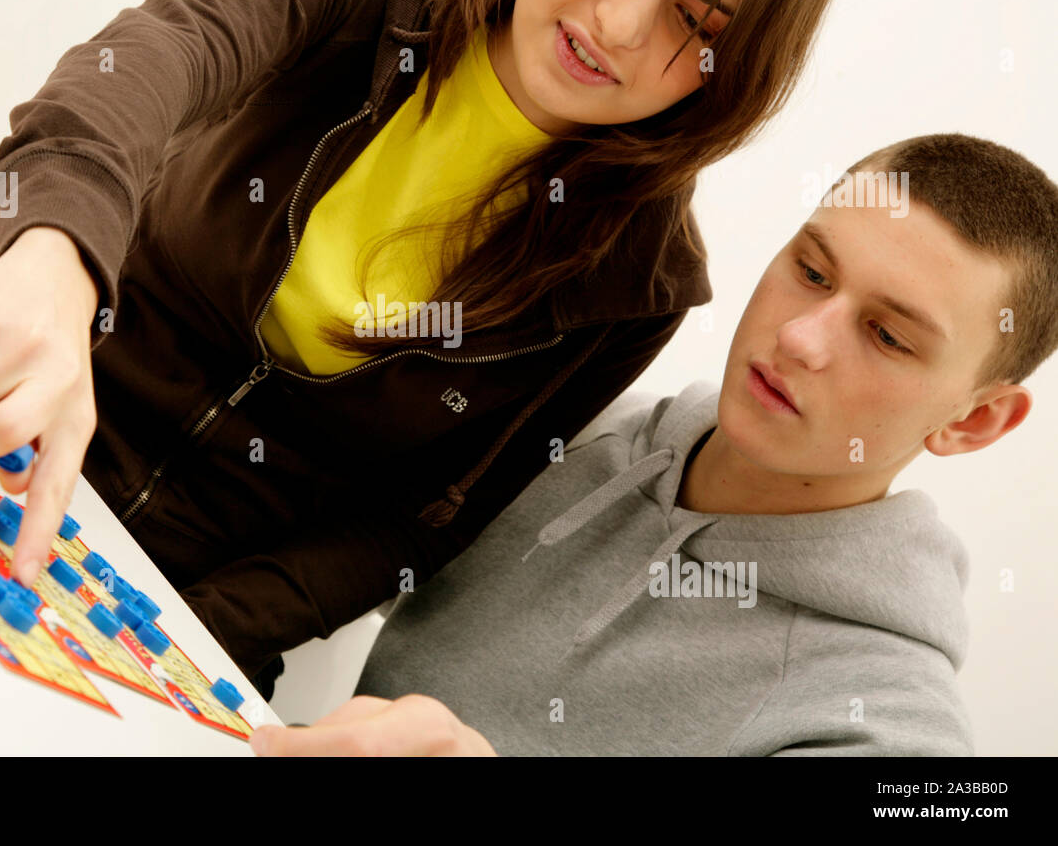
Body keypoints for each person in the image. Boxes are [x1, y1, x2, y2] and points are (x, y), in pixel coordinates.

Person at [0, 0, 864, 697]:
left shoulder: (641, 285)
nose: (618, 26)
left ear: (730, 69)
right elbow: (144, 67)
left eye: (694, 25)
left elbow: (423, 517)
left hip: (176, 620)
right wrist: (54, 260)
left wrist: (183, 630)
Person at [248, 133, 1058, 755]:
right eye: (811, 272)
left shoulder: (881, 714)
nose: (803, 338)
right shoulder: (566, 427)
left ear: (973, 421)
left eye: (885, 334)